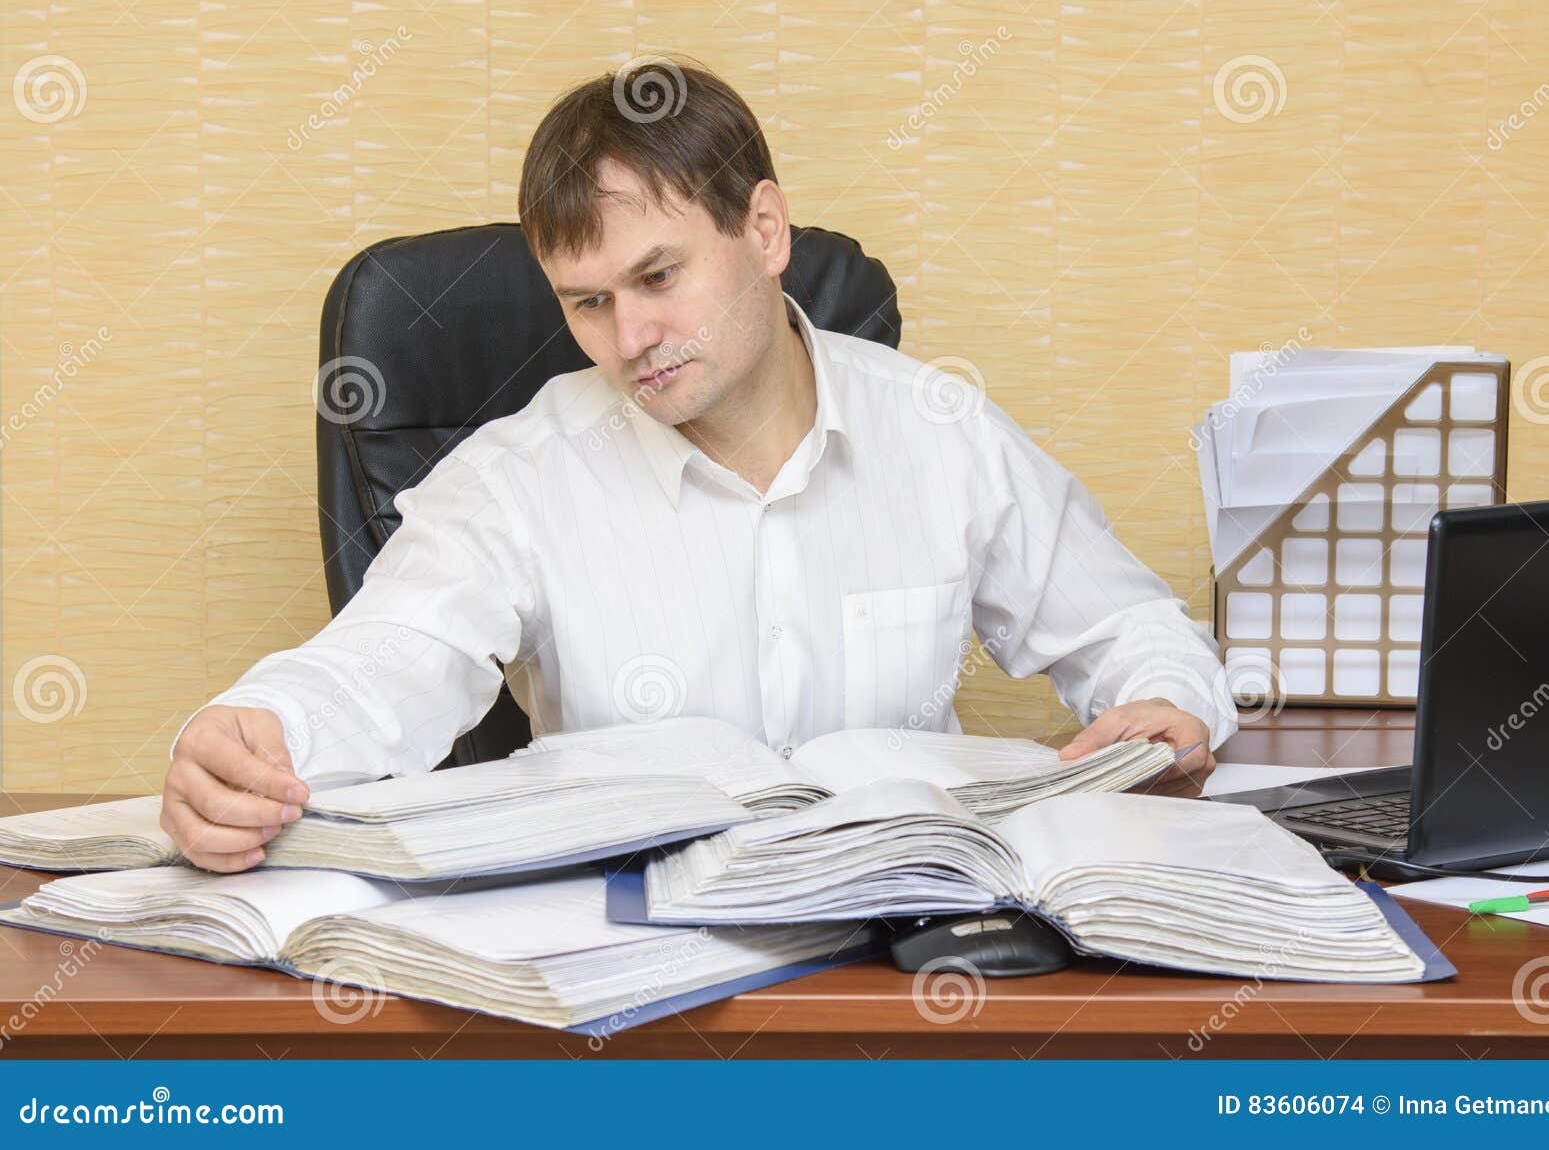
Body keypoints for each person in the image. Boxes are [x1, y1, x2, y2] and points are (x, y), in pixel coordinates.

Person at [160, 59, 1237, 872]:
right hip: (629, 964)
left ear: (763, 230)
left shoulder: (941, 430)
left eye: (658, 276)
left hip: (901, 954)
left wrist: (1166, 704)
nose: (629, 337)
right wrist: (256, 734)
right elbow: (387, 656)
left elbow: (1133, 633)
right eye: (587, 302)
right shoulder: (521, 475)